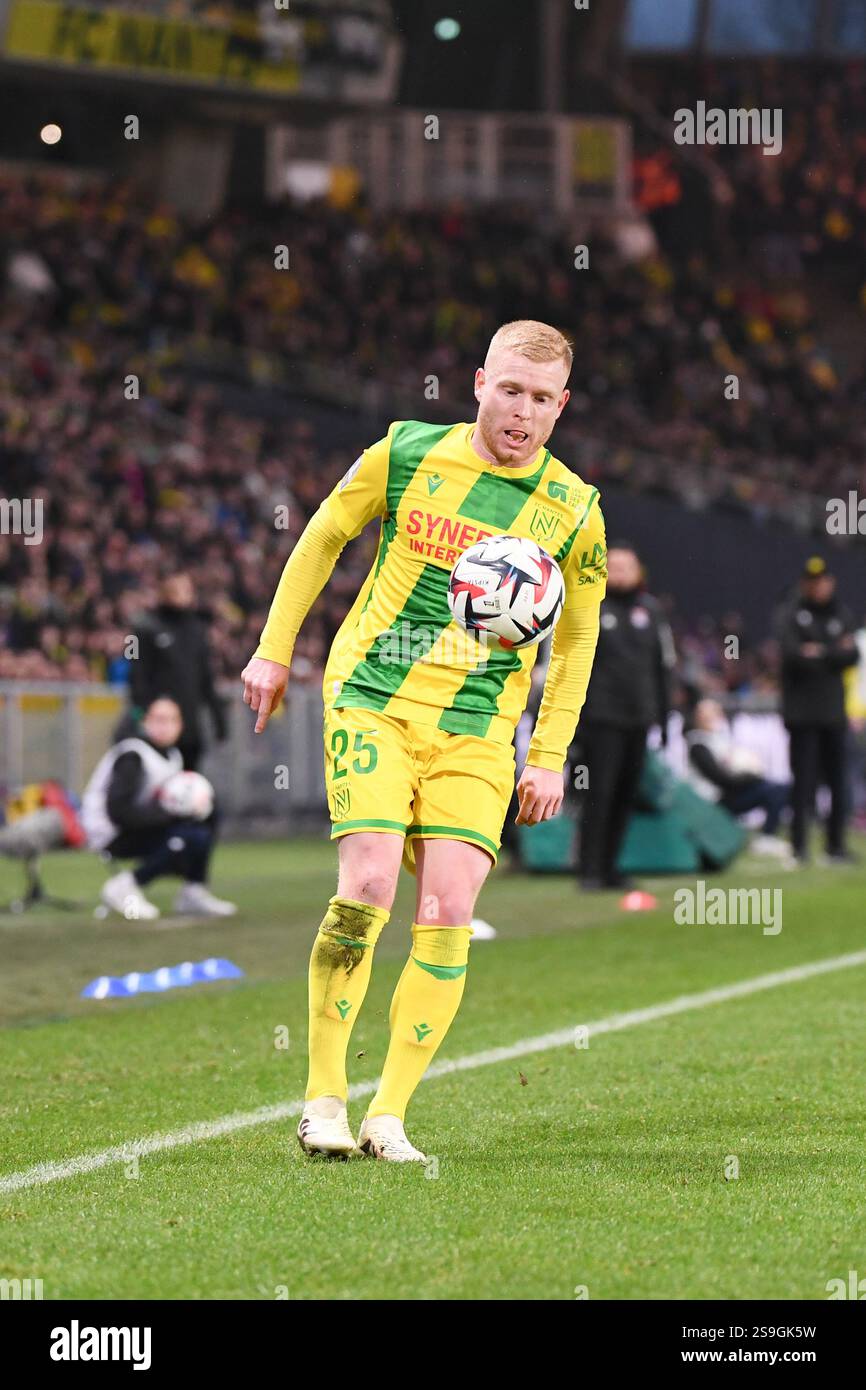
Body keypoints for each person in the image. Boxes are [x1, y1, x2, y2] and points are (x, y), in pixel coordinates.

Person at [241, 320, 607, 1163]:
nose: (522, 412)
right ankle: (324, 1100)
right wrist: (272, 647)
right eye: (510, 391)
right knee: (367, 881)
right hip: (374, 693)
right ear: (478, 383)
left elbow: (579, 637)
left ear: (561, 407)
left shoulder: (576, 511)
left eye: (541, 399)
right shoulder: (404, 452)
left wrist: (548, 752)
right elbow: (326, 533)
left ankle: (389, 1115)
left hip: (479, 727)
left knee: (448, 909)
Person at [571, 543, 675, 891]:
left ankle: (612, 866)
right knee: (598, 794)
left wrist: (662, 717)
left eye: (626, 567)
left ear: (639, 571)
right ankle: (589, 870)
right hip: (601, 719)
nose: (619, 573)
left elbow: (663, 667)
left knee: (625, 795)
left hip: (638, 719)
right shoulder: (591, 608)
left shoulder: (651, 612)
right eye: (613, 566)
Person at [81, 696, 237, 920]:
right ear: (145, 722)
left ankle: (194, 890)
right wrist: (171, 816)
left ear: (181, 725)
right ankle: (124, 886)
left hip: (141, 824)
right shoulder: (132, 755)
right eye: (159, 719)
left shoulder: (173, 756)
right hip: (111, 832)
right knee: (187, 836)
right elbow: (119, 811)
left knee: (206, 820)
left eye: (172, 720)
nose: (165, 726)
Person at [776, 558, 859, 865]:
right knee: (803, 783)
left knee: (839, 782)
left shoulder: (842, 614)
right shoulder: (790, 613)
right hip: (802, 715)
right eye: (812, 580)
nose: (818, 585)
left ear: (831, 582)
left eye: (823, 579)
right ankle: (800, 847)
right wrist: (831, 651)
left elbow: (852, 654)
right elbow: (793, 656)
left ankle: (835, 846)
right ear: (804, 583)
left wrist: (818, 651)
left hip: (834, 714)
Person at [130, 573, 227, 770]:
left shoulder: (197, 629)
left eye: (187, 589)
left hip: (190, 725)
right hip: (159, 727)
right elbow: (137, 675)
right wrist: (140, 716)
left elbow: (206, 677)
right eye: (177, 589)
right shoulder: (146, 627)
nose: (184, 594)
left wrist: (219, 718)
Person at [686, 699, 793, 861]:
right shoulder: (697, 744)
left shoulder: (720, 738)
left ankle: (767, 836)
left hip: (725, 794)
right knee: (772, 790)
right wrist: (751, 776)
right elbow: (721, 779)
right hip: (710, 801)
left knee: (777, 788)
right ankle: (766, 837)